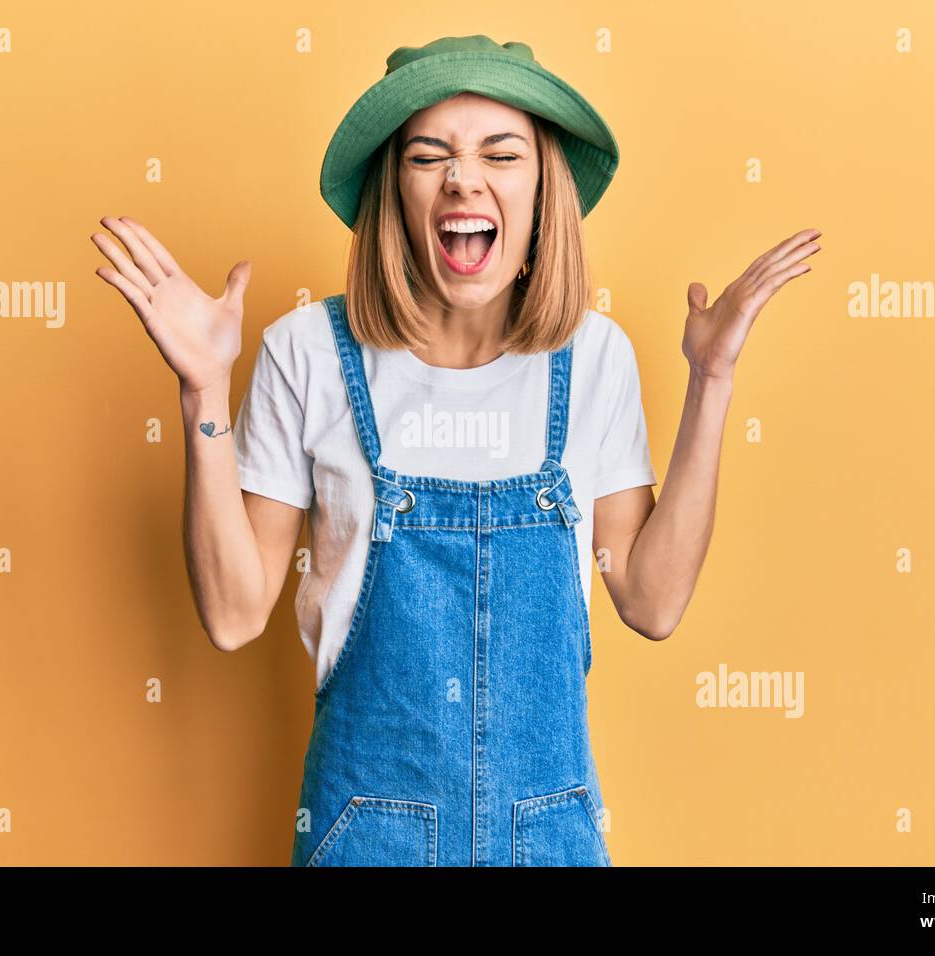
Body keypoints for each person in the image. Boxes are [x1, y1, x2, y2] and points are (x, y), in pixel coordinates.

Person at [92, 34, 820, 866]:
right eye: (427, 155)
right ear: (393, 192)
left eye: (500, 154)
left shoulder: (593, 358)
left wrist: (712, 380)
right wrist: (202, 392)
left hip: (549, 836)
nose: (463, 178)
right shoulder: (308, 353)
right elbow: (232, 614)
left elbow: (652, 603)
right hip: (365, 837)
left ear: (543, 188)